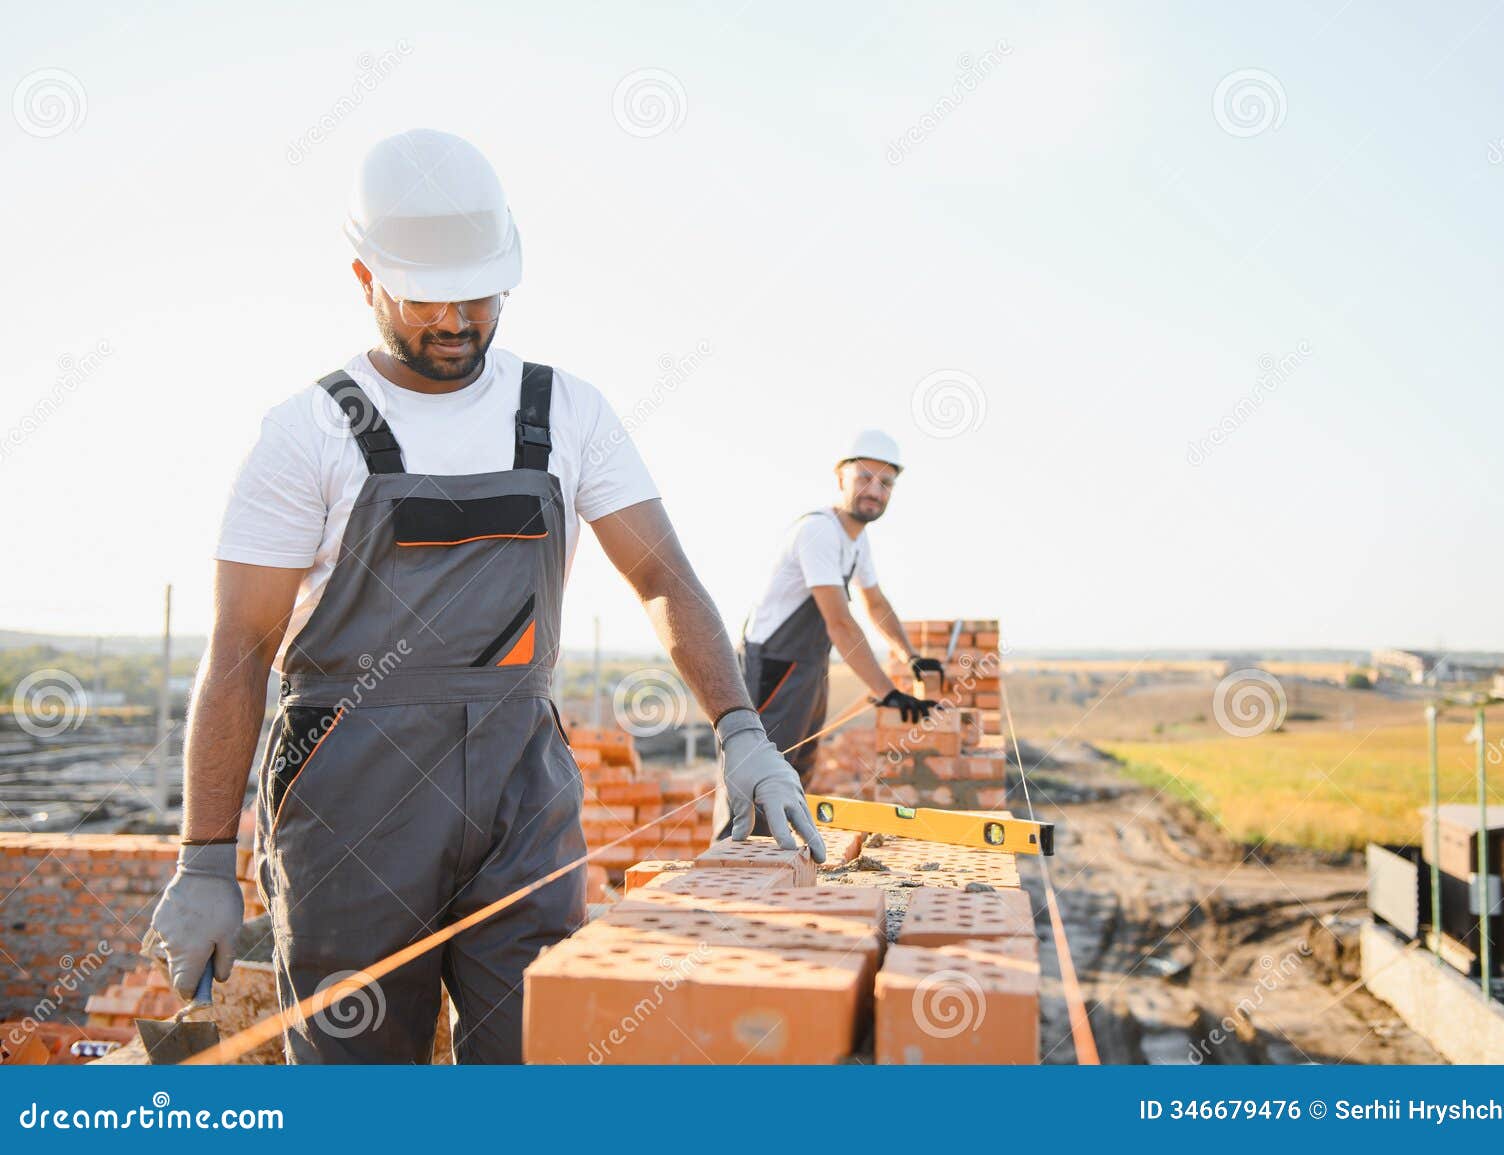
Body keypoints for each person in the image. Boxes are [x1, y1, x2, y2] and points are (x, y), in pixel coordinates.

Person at [144, 129, 823, 1064]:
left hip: (519, 794)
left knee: (529, 1068)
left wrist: (741, 728)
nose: (457, 319)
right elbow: (238, 651)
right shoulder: (306, 433)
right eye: (427, 297)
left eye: (479, 293)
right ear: (363, 276)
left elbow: (663, 577)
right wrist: (204, 857)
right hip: (351, 799)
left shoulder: (566, 411)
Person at [715, 431, 940, 836]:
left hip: (808, 667)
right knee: (758, 778)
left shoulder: (856, 539)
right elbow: (839, 621)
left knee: (797, 773)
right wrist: (885, 690)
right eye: (865, 478)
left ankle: (780, 876)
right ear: (841, 478)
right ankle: (730, 875)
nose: (875, 490)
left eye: (886, 483)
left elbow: (875, 603)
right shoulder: (818, 532)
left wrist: (911, 657)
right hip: (772, 666)